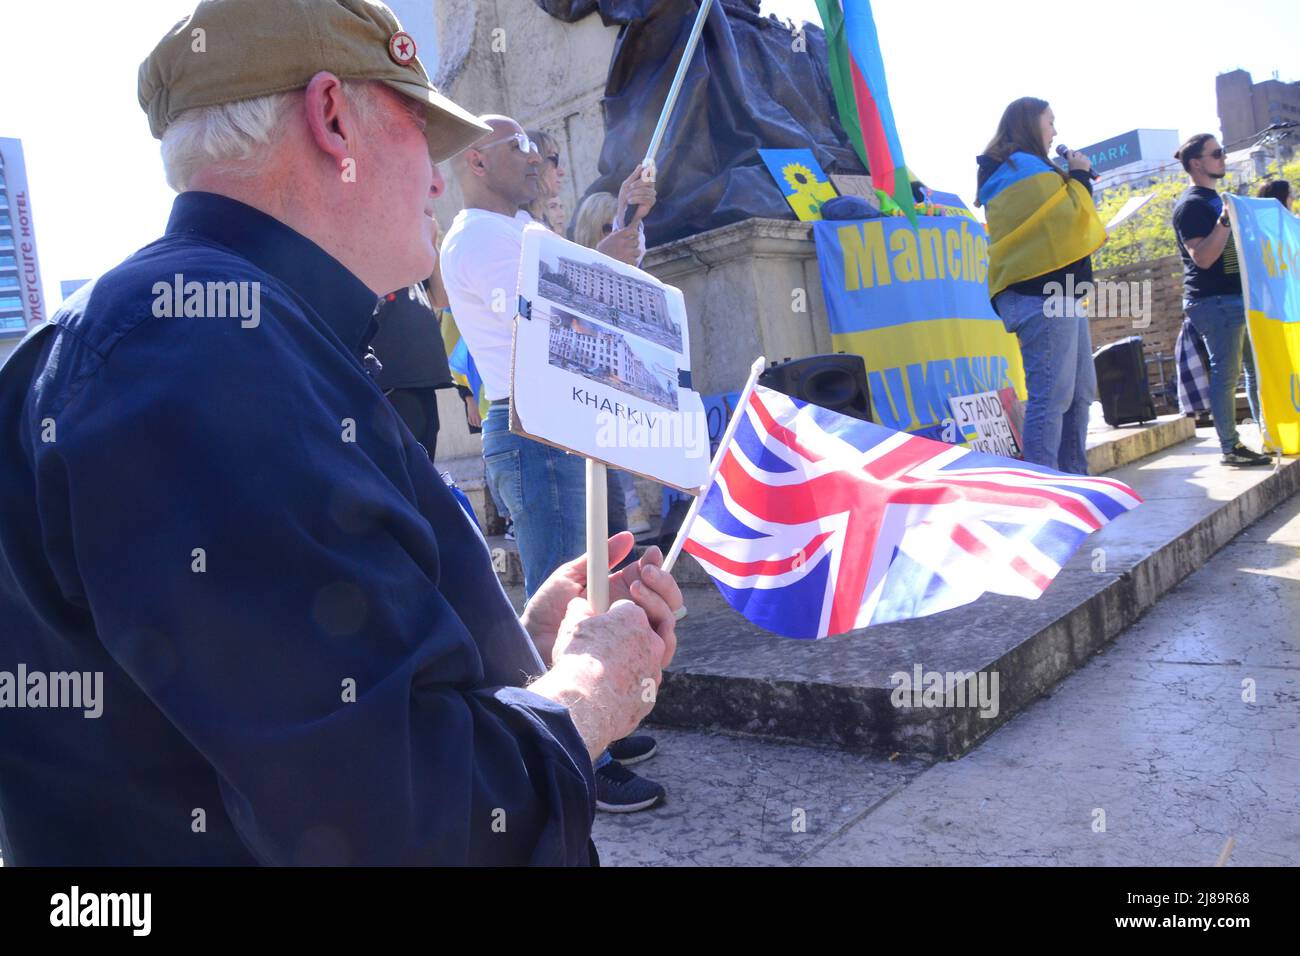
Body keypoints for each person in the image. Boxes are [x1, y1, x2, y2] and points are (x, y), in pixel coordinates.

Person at [0, 0, 683, 866]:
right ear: (331, 118)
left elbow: (288, 688)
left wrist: (512, 646)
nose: (440, 178)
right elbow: (386, 825)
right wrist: (587, 694)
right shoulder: (199, 351)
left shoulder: (208, 331)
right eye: (420, 130)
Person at [975, 97, 1107, 475]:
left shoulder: (1030, 169)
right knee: (1051, 399)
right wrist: (1079, 176)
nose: (1055, 132)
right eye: (1050, 122)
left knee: (1080, 395)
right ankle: (1045, 492)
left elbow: (1061, 224)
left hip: (1063, 297)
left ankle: (1074, 482)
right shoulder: (1017, 170)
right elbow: (1067, 221)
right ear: (1031, 124)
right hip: (1041, 298)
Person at [1172, 133, 1269, 466]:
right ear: (1196, 163)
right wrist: (1226, 219)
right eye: (1217, 154)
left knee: (1254, 372)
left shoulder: (1214, 199)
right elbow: (1202, 257)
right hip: (1213, 302)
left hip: (1235, 299)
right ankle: (1230, 447)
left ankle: (1264, 434)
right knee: (1226, 375)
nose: (1223, 158)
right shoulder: (1192, 205)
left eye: (1223, 153)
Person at [371, 276, 452, 461]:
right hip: (388, 381)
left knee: (423, 467)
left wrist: (432, 249)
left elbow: (441, 299)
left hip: (422, 378)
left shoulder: (413, 252)